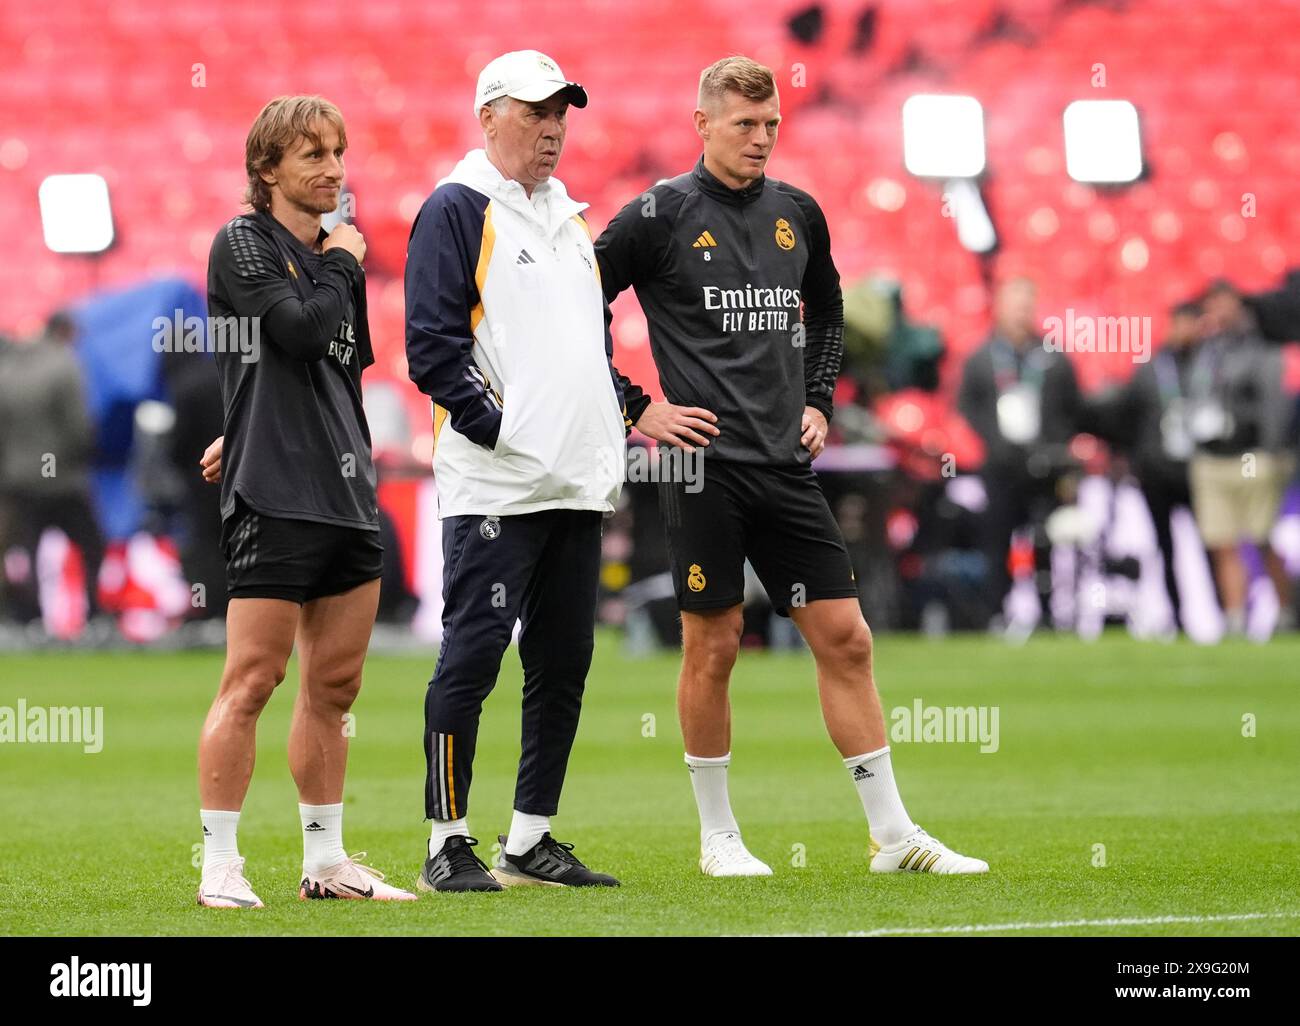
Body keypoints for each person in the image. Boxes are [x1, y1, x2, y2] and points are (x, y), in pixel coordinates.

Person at [595, 56, 986, 876]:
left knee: (846, 638)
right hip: (701, 467)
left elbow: (831, 306)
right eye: (745, 125)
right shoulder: (657, 213)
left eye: (772, 123)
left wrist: (818, 401)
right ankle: (718, 837)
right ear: (702, 124)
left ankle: (892, 835)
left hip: (783, 465)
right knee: (715, 644)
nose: (762, 139)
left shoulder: (796, 213)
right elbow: (577, 301)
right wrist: (637, 408)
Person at [404, 50, 624, 891]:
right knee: (474, 656)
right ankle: (444, 841)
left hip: (573, 482)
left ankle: (530, 838)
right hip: (497, 484)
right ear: (488, 116)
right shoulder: (456, 209)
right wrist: (504, 432)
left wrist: (616, 422)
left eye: (562, 111)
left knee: (564, 659)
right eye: (535, 112)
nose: (552, 127)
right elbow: (431, 349)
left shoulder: (569, 221)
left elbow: (588, 351)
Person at [196, 95, 415, 908]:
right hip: (274, 494)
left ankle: (325, 862)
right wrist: (346, 262)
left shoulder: (333, 259)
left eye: (337, 153)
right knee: (253, 678)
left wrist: (240, 423)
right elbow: (294, 331)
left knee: (336, 687)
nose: (333, 169)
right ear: (268, 170)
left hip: (347, 491)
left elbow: (329, 374)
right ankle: (219, 862)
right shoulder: (244, 242)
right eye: (312, 155)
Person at [957, 277, 1083, 629]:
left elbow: (1072, 409)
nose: (1020, 313)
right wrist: (992, 445)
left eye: (1026, 305)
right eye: (1014, 305)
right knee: (996, 540)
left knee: (1045, 540)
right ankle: (996, 613)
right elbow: (968, 409)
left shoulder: (1054, 359)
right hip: (1000, 467)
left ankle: (1047, 614)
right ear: (999, 308)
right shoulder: (982, 359)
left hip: (1044, 467)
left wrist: (1055, 449)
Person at [1186, 281, 1295, 636]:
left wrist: (1269, 451)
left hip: (1249, 456)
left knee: (1260, 536)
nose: (1218, 312)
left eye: (1224, 303)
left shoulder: (1259, 345)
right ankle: (1234, 617)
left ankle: (1284, 611)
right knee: (1223, 541)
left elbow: (1274, 404)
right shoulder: (1204, 350)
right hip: (1212, 457)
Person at [0, 311, 106, 633]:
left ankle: (28, 618)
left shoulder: (11, 368)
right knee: (92, 545)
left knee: (28, 550)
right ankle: (95, 616)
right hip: (63, 479)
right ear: (67, 332)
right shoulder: (64, 364)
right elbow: (79, 429)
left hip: (20, 479)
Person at [1118, 301, 1201, 632]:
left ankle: (1226, 614)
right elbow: (1130, 419)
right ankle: (1176, 616)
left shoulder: (1208, 363)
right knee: (1164, 547)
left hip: (1199, 469)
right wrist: (1138, 462)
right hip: (1157, 471)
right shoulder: (1151, 369)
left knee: (1213, 544)